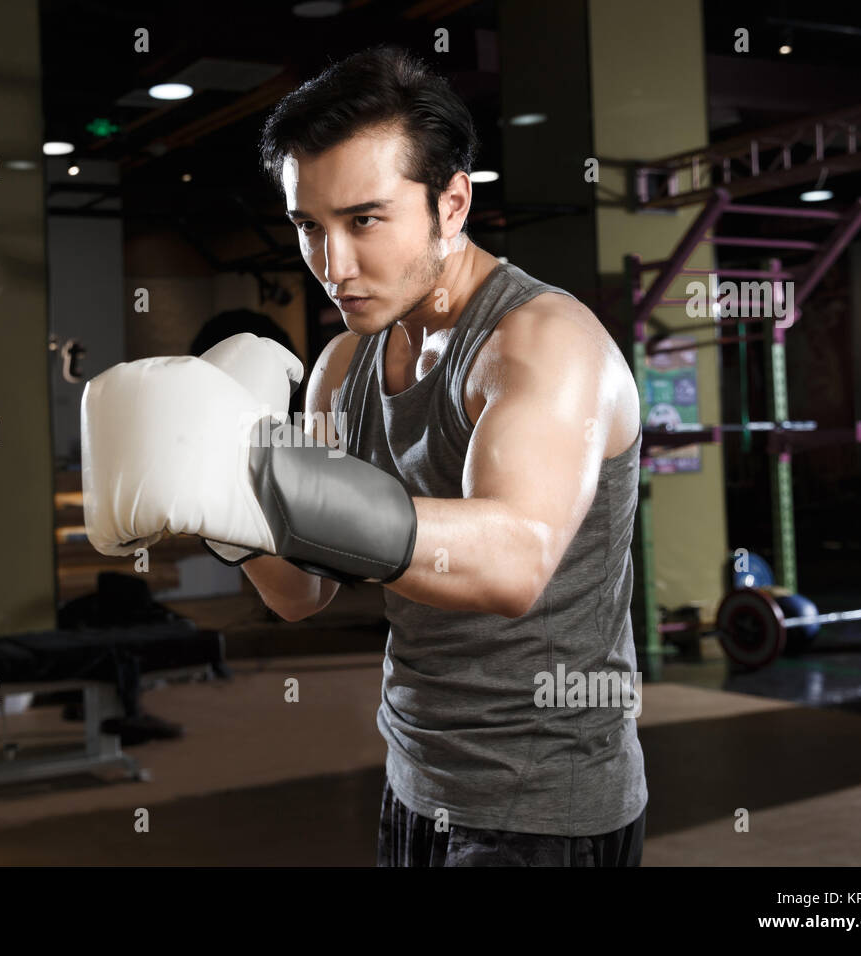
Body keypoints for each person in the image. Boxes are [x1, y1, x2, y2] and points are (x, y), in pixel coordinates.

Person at [81, 45, 647, 867]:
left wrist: (271, 481)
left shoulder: (542, 344)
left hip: (545, 806)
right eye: (309, 226)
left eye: (365, 220)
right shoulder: (342, 367)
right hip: (415, 781)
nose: (332, 265)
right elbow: (303, 592)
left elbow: (514, 564)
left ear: (451, 203)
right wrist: (229, 509)